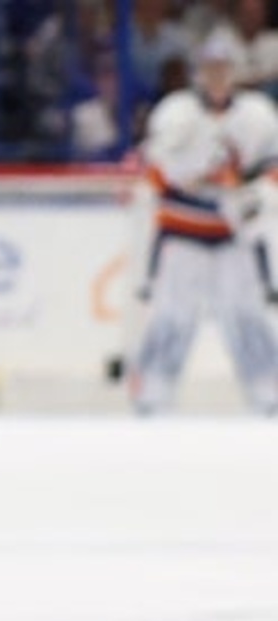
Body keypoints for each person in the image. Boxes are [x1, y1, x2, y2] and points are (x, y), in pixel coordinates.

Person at [128, 28, 278, 416]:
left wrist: (255, 197)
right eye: (210, 68)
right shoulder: (176, 112)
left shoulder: (258, 114)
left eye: (224, 68)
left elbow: (272, 168)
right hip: (184, 232)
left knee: (246, 316)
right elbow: (154, 169)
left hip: (234, 236)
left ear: (235, 71)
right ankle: (153, 394)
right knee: (172, 316)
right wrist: (192, 174)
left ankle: (268, 394)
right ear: (199, 72)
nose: (217, 76)